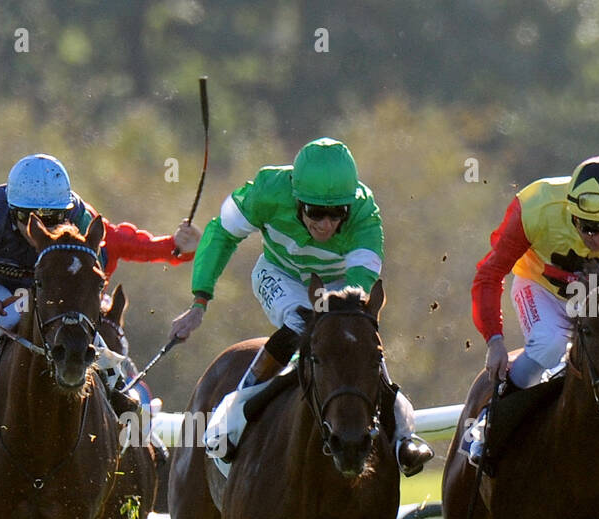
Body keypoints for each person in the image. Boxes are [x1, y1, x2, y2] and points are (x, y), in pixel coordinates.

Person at [167, 137, 433, 476]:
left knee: (352, 333)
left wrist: (339, 318)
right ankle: (231, 419)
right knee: (298, 325)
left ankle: (403, 436)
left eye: (337, 213)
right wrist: (199, 300)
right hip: (279, 274)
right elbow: (222, 233)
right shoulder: (266, 191)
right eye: (315, 212)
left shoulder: (366, 213)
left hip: (340, 286)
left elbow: (360, 283)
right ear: (296, 200)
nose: (326, 224)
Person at [0, 153, 200, 424]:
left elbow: (108, 253)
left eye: (52, 218)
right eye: (30, 218)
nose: (40, 225)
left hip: (48, 286)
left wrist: (175, 249)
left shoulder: (80, 216)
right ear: (12, 210)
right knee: (8, 317)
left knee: (80, 324)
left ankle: (117, 390)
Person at [465, 155, 599, 481]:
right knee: (550, 343)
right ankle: (492, 417)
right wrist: (494, 340)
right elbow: (488, 275)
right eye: (590, 227)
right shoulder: (535, 206)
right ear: (570, 211)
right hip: (540, 288)